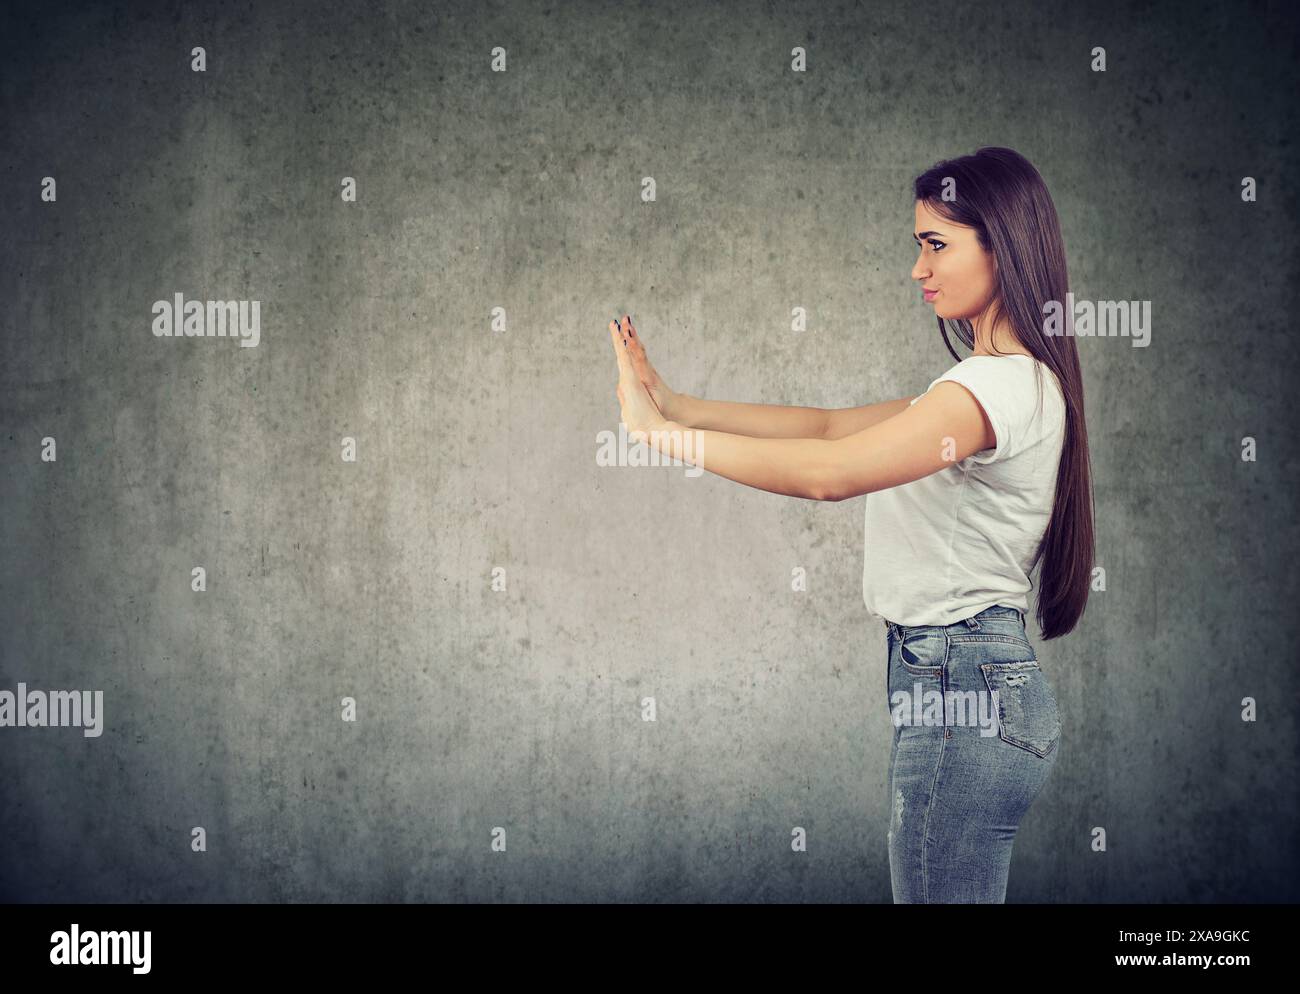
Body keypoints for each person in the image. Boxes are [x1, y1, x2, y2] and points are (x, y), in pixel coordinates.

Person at [607, 146, 1094, 903]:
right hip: (967, 683)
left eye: (937, 245)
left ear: (1003, 245)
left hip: (962, 684)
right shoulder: (996, 386)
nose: (918, 269)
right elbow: (829, 429)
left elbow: (829, 478)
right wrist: (675, 402)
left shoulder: (992, 390)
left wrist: (655, 436)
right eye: (917, 246)